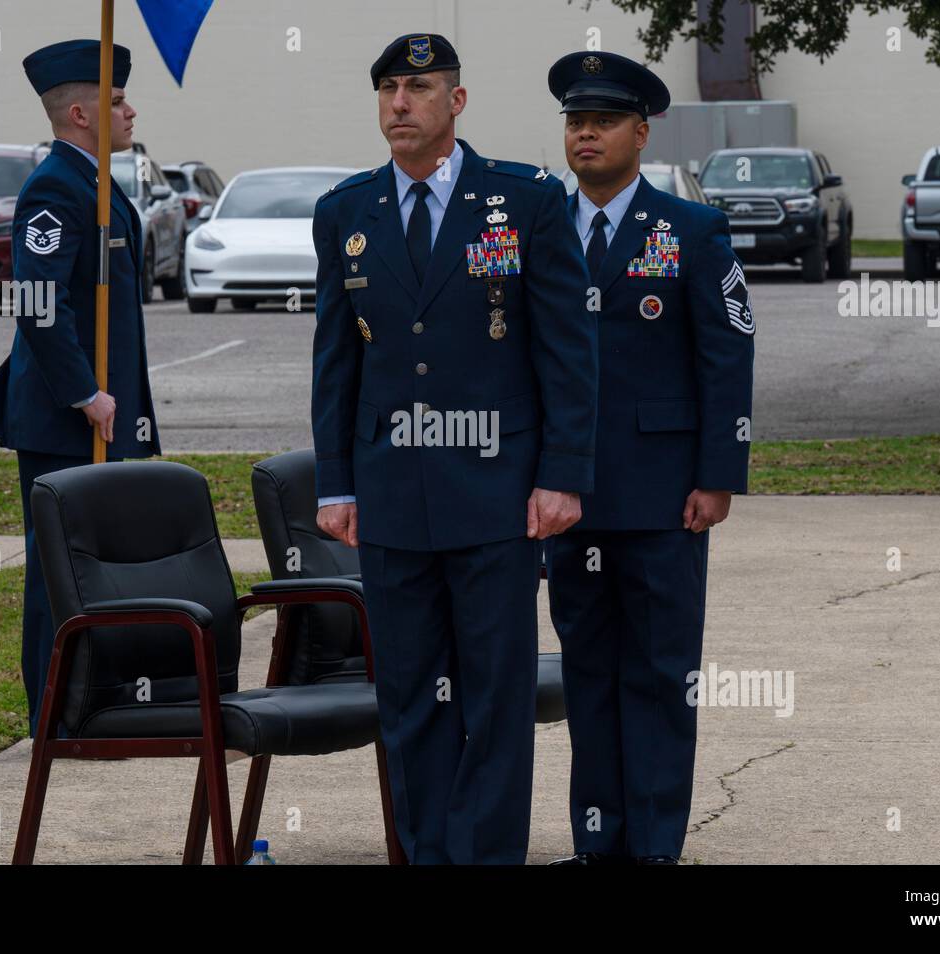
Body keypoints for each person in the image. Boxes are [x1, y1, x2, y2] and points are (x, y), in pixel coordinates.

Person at [310, 33, 598, 864]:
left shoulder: (528, 200)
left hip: (498, 493)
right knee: (408, 693)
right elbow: (336, 360)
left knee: (495, 693)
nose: (399, 103)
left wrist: (562, 475)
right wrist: (338, 483)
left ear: (457, 102)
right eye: (389, 89)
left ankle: (485, 853)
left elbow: (567, 350)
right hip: (392, 495)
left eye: (419, 87)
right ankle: (428, 850)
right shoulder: (346, 211)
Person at [544, 50, 755, 864]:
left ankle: (655, 848)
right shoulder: (540, 228)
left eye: (601, 121)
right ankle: (600, 845)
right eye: (574, 120)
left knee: (661, 678)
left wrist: (718, 474)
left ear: (641, 131)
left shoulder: (690, 230)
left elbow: (727, 351)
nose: (585, 133)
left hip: (666, 496)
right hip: (569, 496)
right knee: (588, 675)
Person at [0, 39, 159, 737]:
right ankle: (57, 713)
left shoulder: (101, 185)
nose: (131, 111)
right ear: (79, 113)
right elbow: (41, 304)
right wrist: (86, 395)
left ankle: (95, 697)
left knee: (97, 565)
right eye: (115, 102)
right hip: (67, 420)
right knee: (58, 572)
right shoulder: (55, 188)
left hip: (105, 416)